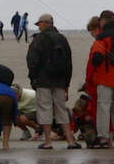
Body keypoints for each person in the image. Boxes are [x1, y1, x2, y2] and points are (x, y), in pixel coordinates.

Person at [25, 13, 78, 149]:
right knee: (61, 110)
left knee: (45, 109)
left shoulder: (38, 39)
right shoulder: (62, 38)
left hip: (43, 80)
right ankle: (70, 141)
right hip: (60, 81)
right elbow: (69, 63)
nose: (39, 26)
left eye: (40, 24)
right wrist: (67, 83)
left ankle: (48, 141)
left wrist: (33, 79)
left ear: (46, 23)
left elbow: (32, 61)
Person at [87, 11, 114, 149]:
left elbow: (96, 58)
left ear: (102, 21)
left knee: (104, 108)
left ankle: (103, 138)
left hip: (105, 78)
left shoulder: (102, 38)